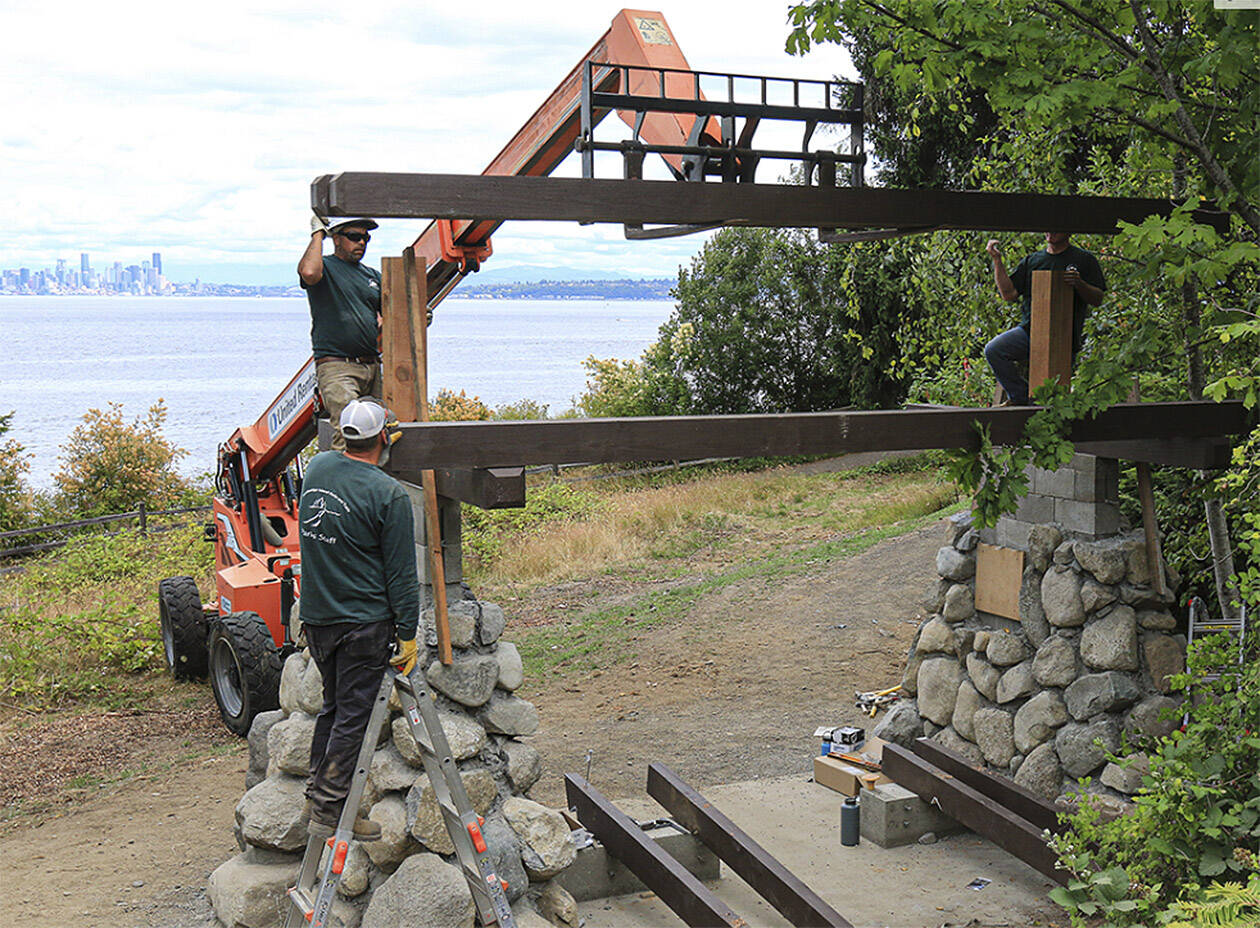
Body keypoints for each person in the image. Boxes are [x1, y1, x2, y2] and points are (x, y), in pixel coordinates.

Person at [298, 398, 419, 838]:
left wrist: (374, 440)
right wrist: (407, 633)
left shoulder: (317, 470)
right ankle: (330, 809)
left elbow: (339, 452)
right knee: (354, 717)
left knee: (333, 708)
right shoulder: (388, 495)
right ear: (384, 438)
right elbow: (403, 575)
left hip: (318, 620)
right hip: (362, 626)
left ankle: (317, 796)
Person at [983, 232, 1106, 405]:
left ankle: (1041, 412)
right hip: (1029, 332)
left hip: (1063, 339)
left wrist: (1079, 283)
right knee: (994, 350)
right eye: (1046, 228)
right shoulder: (1032, 261)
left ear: (1068, 230)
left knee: (1052, 399)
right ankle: (1021, 398)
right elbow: (1008, 294)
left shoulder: (1083, 259)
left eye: (1055, 227)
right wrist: (997, 261)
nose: (1050, 231)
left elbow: (1098, 298)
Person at [298, 214, 384, 450]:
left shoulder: (372, 276)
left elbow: (393, 314)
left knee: (380, 431)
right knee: (348, 431)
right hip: (337, 366)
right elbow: (309, 273)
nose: (361, 243)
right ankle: (342, 486)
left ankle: (370, 484)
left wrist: (416, 317)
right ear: (336, 238)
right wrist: (317, 233)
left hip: (371, 365)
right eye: (354, 237)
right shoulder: (325, 268)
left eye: (366, 238)